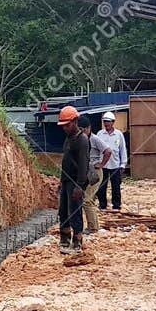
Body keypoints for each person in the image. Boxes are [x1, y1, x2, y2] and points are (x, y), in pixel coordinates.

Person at [57, 105, 89, 252]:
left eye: (67, 125)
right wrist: (62, 181)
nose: (64, 128)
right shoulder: (68, 139)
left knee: (75, 211)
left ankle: (77, 241)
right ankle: (64, 239)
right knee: (63, 210)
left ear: (75, 121)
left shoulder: (82, 140)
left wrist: (80, 186)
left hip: (75, 181)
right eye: (63, 125)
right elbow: (66, 161)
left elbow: (84, 164)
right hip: (66, 180)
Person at [95, 111, 127, 211]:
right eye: (105, 121)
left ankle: (116, 206)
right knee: (101, 186)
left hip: (115, 164)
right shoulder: (100, 134)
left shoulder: (118, 134)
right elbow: (96, 149)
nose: (106, 123)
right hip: (103, 165)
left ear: (113, 122)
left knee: (116, 187)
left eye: (108, 121)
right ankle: (102, 205)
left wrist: (123, 165)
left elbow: (122, 149)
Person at [82, 120, 109, 234]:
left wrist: (102, 164)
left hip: (95, 172)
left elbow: (108, 151)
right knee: (89, 199)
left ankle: (93, 228)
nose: (82, 132)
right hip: (86, 172)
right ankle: (93, 226)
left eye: (83, 129)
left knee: (87, 200)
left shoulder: (94, 139)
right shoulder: (81, 140)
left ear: (88, 128)